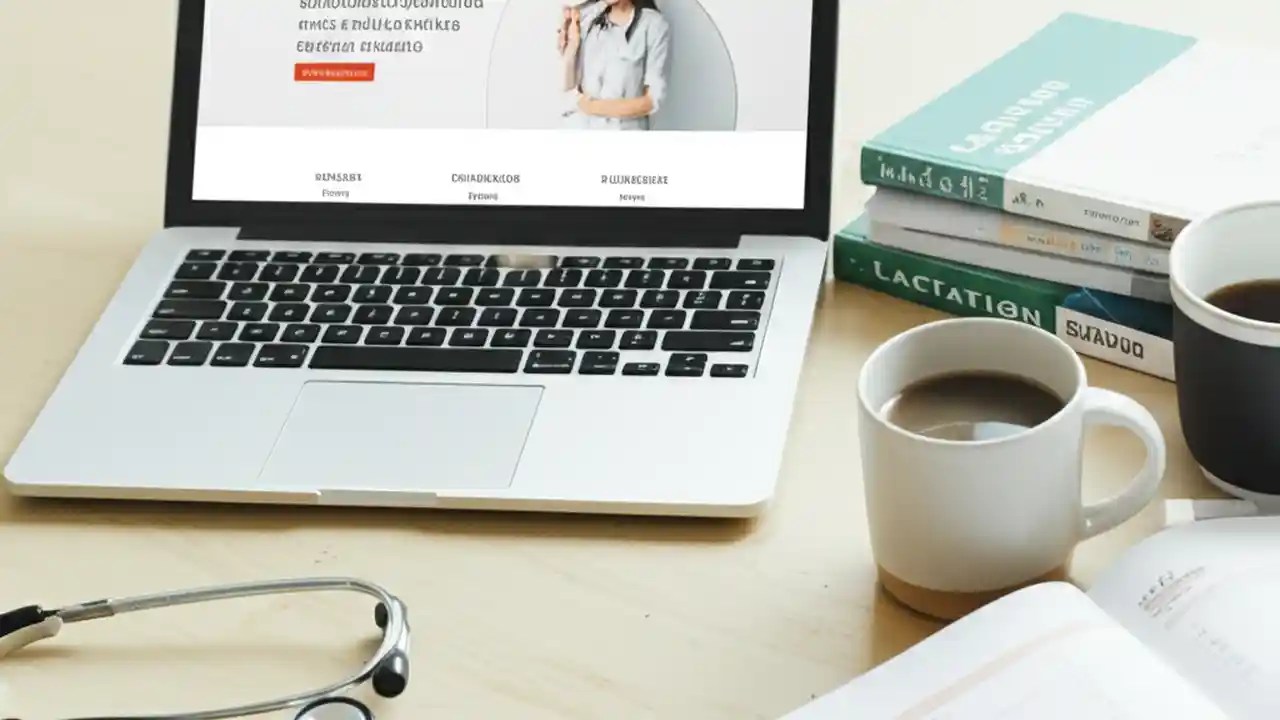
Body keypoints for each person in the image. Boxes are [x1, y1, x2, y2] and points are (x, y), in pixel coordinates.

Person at [557, 0, 671, 130]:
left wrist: (591, 106)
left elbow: (651, 102)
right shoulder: (588, 18)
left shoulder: (653, 25)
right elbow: (570, 88)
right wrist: (571, 50)